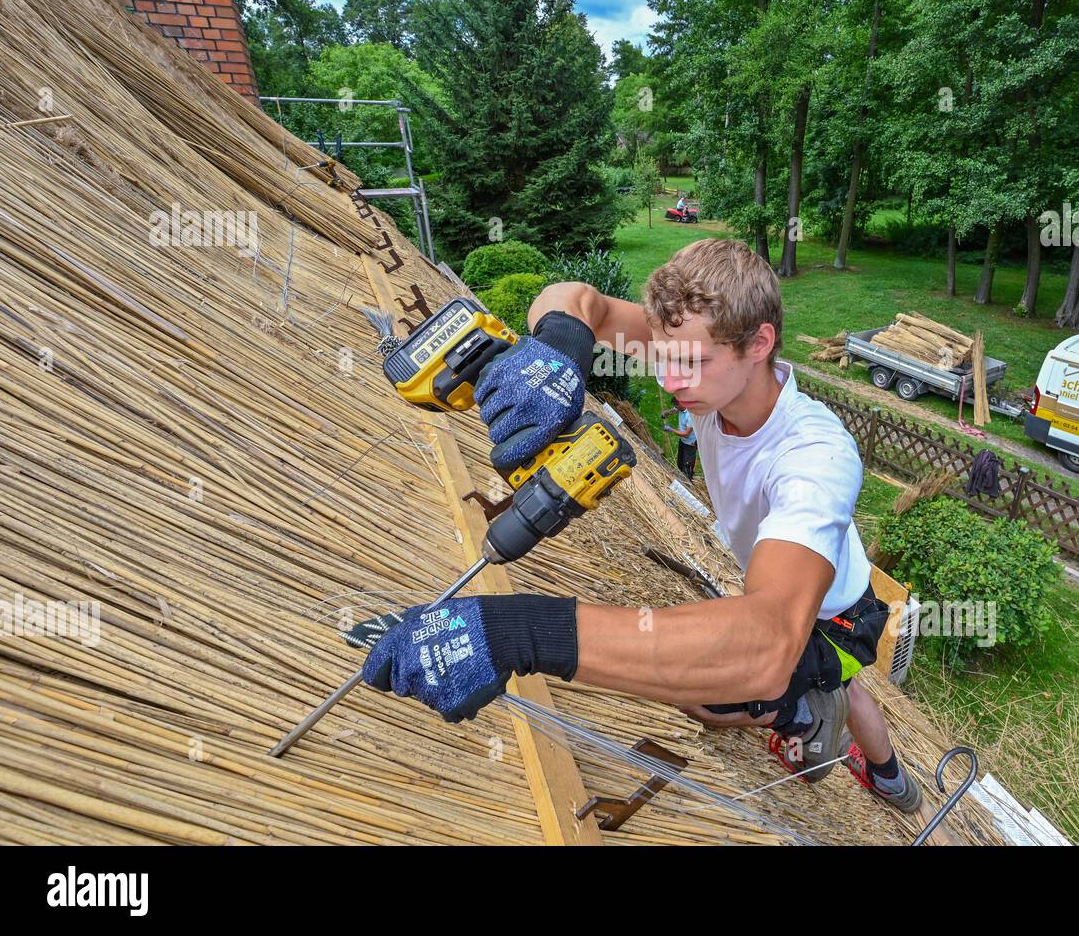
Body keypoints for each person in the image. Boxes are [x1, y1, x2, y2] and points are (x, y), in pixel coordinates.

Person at [358, 237, 923, 810]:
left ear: (760, 342)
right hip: (780, 575)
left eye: (692, 364)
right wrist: (559, 349)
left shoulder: (816, 455)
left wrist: (520, 634)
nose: (670, 382)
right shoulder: (699, 357)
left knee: (719, 697)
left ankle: (837, 737)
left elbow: (768, 643)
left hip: (836, 616)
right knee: (798, 686)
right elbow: (577, 299)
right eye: (666, 357)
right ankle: (867, 752)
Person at [664, 401, 697, 480]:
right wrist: (666, 413)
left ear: (682, 404)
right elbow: (673, 410)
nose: (675, 407)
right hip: (683, 441)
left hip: (690, 443)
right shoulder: (681, 408)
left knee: (687, 466)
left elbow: (686, 434)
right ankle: (680, 478)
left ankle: (688, 481)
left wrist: (671, 429)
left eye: (676, 405)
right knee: (680, 463)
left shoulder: (690, 415)